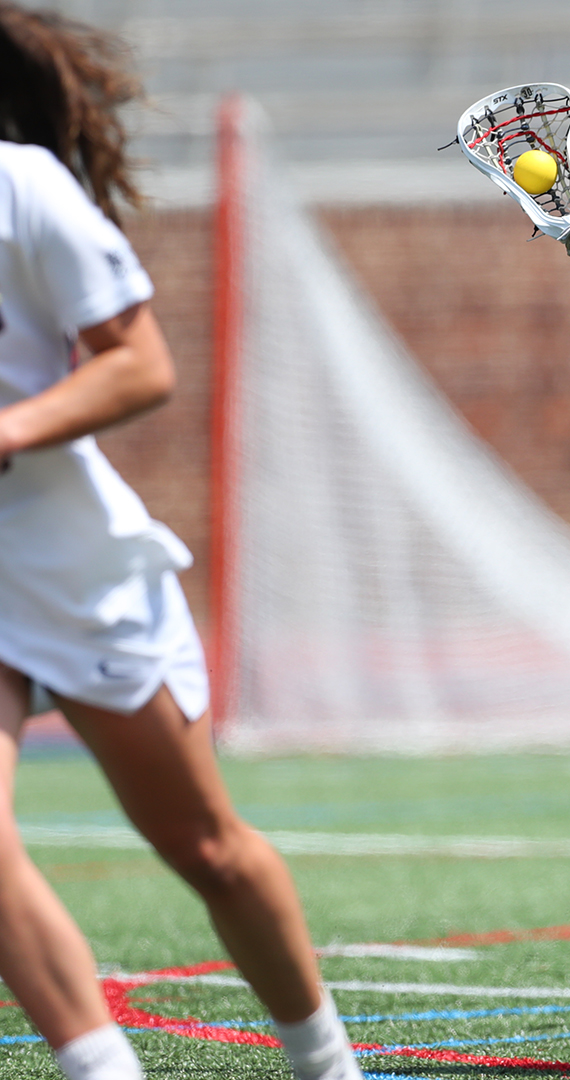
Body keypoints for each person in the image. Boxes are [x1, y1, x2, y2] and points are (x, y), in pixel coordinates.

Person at [0, 6, 362, 1080]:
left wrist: (9, 429)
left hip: (70, 568)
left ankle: (325, 1062)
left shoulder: (23, 188)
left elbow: (139, 364)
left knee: (208, 849)